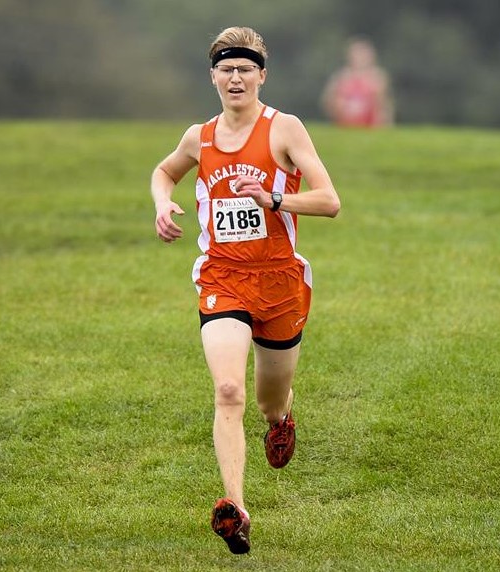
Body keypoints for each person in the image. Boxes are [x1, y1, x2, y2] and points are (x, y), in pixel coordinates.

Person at [150, 26, 340, 555]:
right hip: (223, 277)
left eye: (245, 69)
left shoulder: (285, 129)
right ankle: (236, 509)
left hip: (279, 281)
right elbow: (164, 171)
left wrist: (274, 200)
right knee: (229, 389)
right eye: (226, 69)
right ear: (213, 77)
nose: (236, 78)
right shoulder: (200, 137)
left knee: (267, 400)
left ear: (262, 75)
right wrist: (162, 202)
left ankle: (281, 421)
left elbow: (329, 201)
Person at [320, 37, 394, 128]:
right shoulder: (340, 78)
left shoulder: (378, 79)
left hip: (370, 127)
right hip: (343, 125)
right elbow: (328, 103)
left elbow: (384, 107)